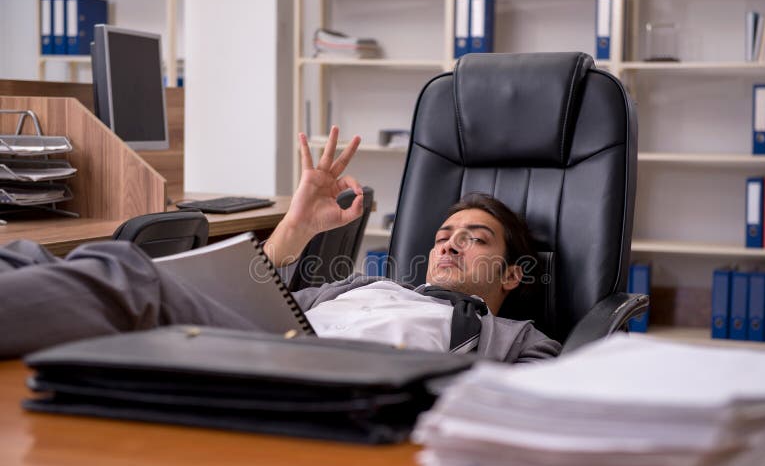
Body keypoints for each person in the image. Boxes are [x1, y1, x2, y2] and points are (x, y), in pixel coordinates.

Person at [0, 127, 560, 362]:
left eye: (475, 238)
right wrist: (294, 228)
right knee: (30, 255)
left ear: (512, 276)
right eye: (443, 235)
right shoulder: (370, 284)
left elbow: (558, 398)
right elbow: (257, 301)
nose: (450, 244)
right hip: (270, 343)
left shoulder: (510, 339)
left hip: (315, 372)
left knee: (124, 268)